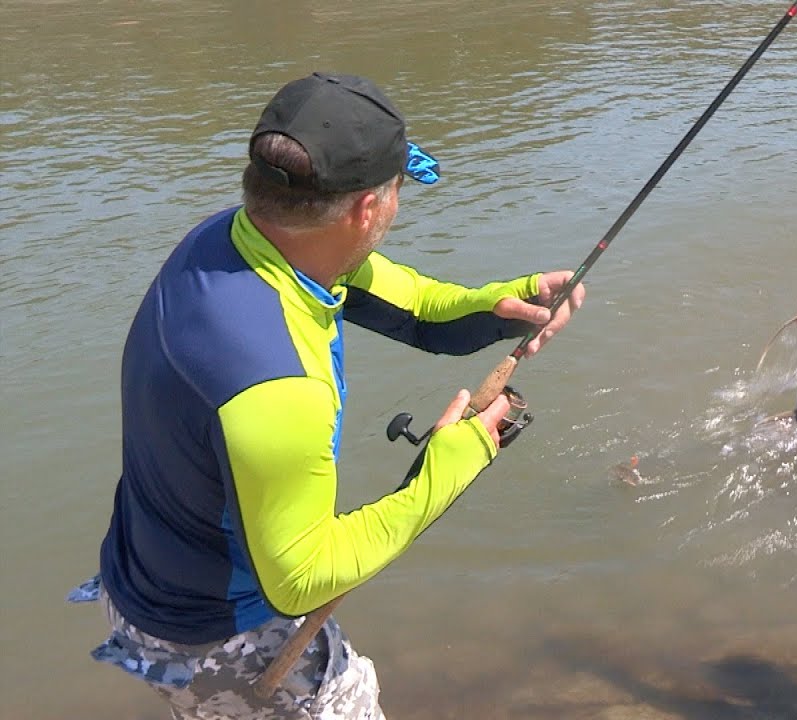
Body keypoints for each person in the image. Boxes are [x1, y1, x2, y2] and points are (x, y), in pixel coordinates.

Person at [69, 71, 586, 719]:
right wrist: (447, 470)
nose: (400, 206)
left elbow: (424, 313)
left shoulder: (237, 241)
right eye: (400, 190)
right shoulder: (275, 383)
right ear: (366, 208)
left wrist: (507, 306)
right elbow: (302, 579)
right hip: (216, 635)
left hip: (149, 574)